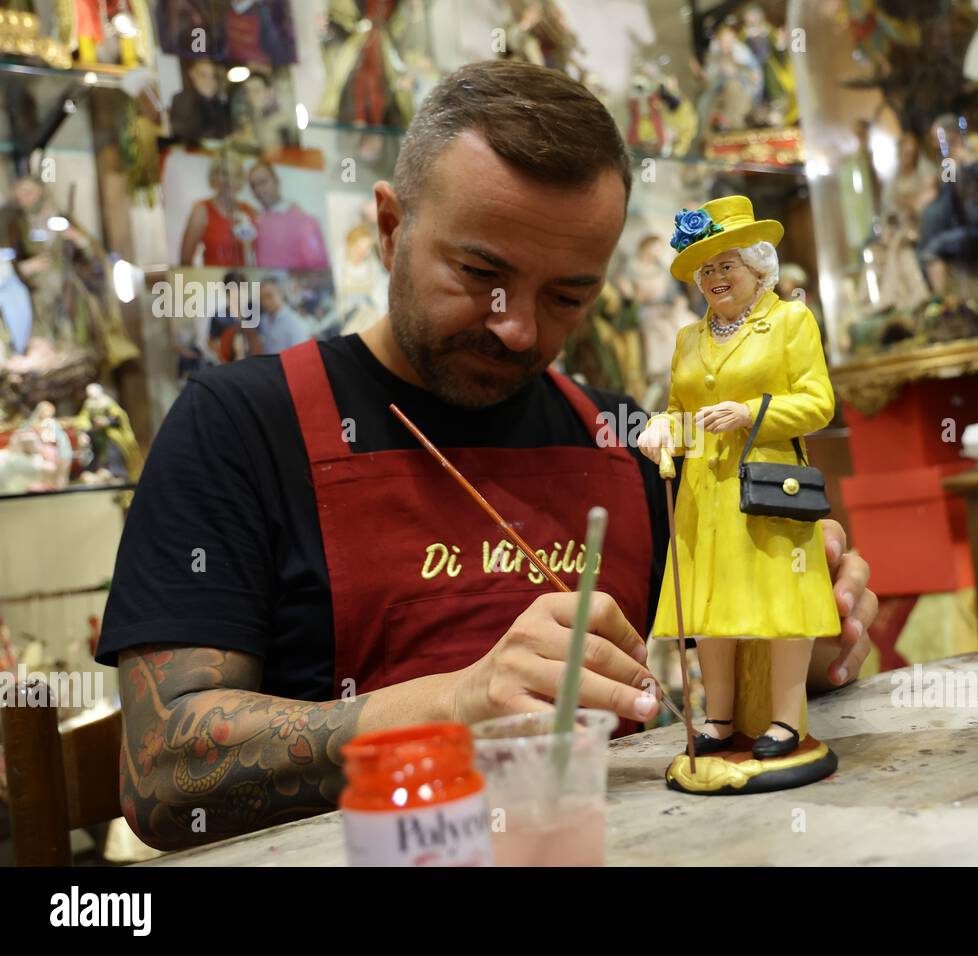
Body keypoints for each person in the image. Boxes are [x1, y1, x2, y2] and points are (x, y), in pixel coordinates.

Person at [97, 60, 877, 850]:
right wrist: (459, 706)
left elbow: (739, 643)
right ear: (391, 228)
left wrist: (807, 650)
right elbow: (163, 773)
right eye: (480, 274)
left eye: (567, 297)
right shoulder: (238, 428)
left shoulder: (624, 443)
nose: (519, 330)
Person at [637, 197, 839, 762]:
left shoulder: (791, 320)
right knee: (712, 611)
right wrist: (659, 429)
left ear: (757, 268)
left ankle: (785, 719)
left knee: (782, 605)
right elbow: (680, 412)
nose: (715, 278)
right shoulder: (687, 339)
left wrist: (752, 412)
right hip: (705, 496)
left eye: (726, 265)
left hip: (770, 487)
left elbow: (819, 403)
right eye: (706, 269)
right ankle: (719, 717)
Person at [178, 154, 259, 267]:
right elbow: (185, 260)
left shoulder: (250, 211)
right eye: (224, 174)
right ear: (214, 176)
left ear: (241, 179)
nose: (229, 180)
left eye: (234, 175)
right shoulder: (202, 210)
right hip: (213, 282)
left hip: (245, 281)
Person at [248, 162, 331, 270]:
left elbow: (319, 266)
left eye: (263, 182)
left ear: (276, 181)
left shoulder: (305, 222)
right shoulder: (255, 222)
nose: (259, 190)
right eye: (254, 186)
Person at [255, 278, 312, 353]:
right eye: (261, 298)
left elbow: (301, 356)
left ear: (280, 294)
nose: (265, 302)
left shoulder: (296, 323)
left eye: (269, 296)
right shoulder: (264, 320)